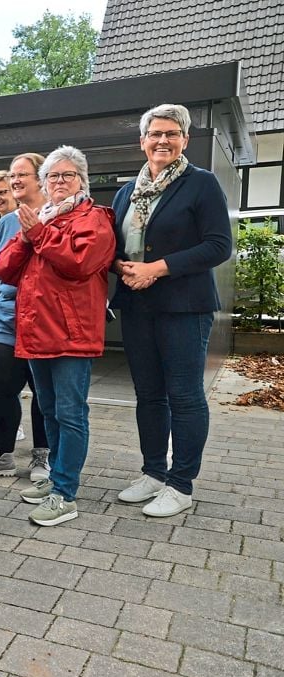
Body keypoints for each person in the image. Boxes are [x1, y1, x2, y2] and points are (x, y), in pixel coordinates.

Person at [112, 104, 232, 518]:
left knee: (184, 395)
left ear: (184, 139)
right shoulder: (127, 191)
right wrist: (122, 267)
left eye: (172, 133)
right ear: (142, 141)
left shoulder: (201, 184)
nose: (162, 140)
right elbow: (114, 244)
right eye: (155, 133)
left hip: (184, 306)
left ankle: (181, 484)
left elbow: (219, 246)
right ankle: (153, 473)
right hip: (138, 304)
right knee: (148, 395)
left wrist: (156, 269)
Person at [0, 146, 115, 527]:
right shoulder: (37, 219)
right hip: (34, 332)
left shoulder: (94, 218)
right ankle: (57, 480)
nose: (58, 182)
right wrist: (28, 236)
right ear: (43, 185)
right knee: (50, 412)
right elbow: (3, 269)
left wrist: (38, 233)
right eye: (52, 177)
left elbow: (80, 263)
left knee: (71, 413)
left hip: (71, 334)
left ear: (81, 180)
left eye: (67, 175)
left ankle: (65, 492)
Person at [0, 154, 51, 483]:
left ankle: (42, 457)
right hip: (6, 318)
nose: (15, 181)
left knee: (43, 392)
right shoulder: (6, 222)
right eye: (13, 175)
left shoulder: (54, 215)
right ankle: (2, 456)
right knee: (0, 387)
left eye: (22, 175)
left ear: (40, 178)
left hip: (43, 318)